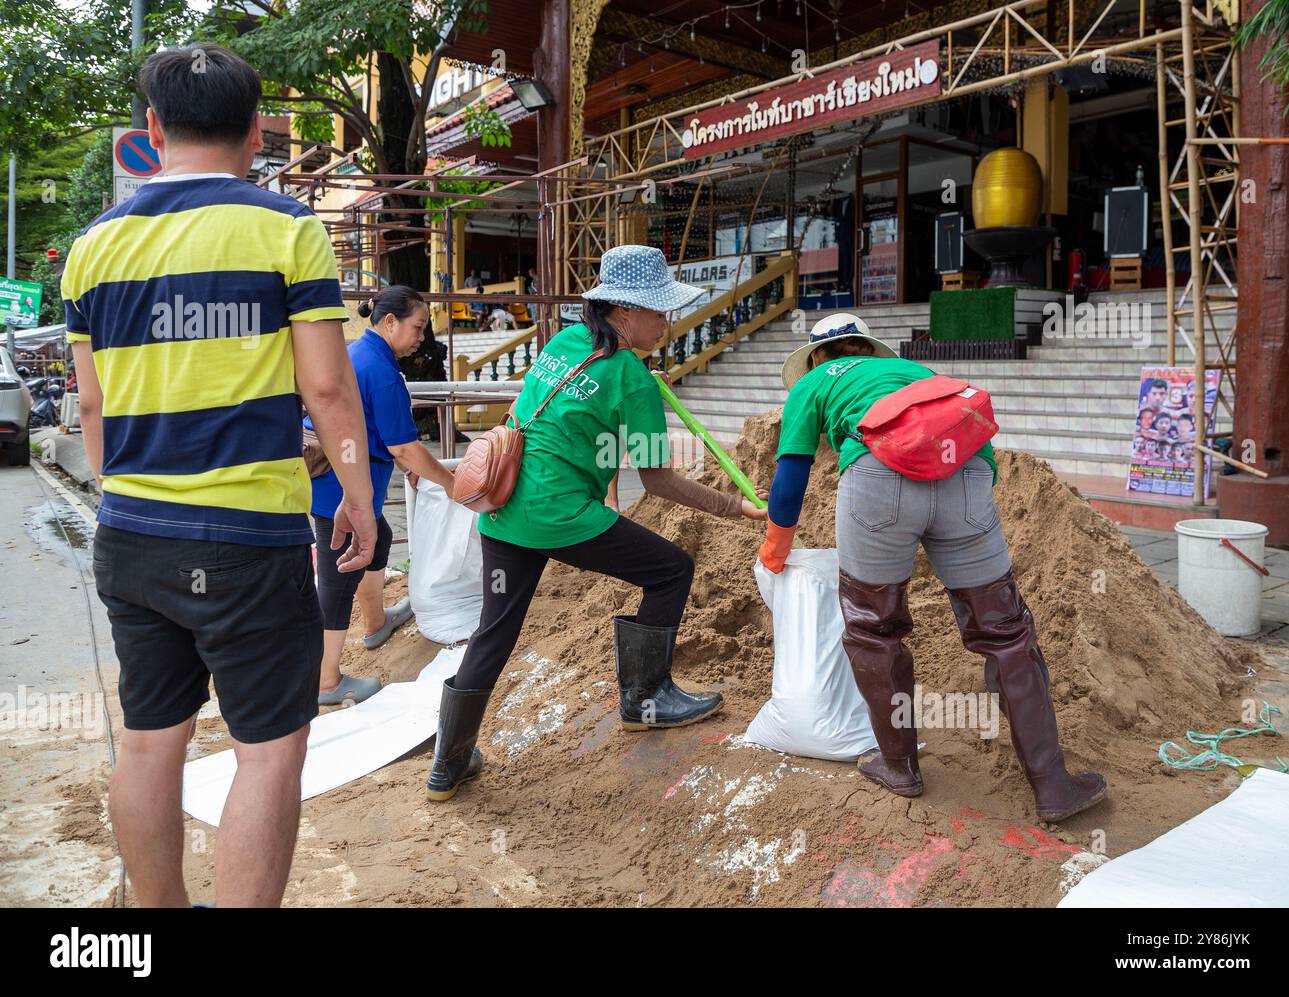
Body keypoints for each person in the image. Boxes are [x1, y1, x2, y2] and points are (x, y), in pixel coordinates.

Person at [62, 44, 377, 907]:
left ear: (153, 126)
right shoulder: (287, 229)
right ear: (255, 131)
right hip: (249, 539)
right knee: (267, 751)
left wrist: (124, 493)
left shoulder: (92, 248)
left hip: (132, 533)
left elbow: (91, 403)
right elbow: (326, 387)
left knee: (148, 740)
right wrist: (358, 496)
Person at [426, 245, 767, 802]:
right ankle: (645, 701)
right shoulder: (631, 377)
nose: (667, 321)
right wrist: (734, 507)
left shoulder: (564, 342)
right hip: (561, 514)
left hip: (504, 510)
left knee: (494, 631)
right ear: (624, 310)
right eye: (659, 310)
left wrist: (633, 388)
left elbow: (566, 410)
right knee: (671, 570)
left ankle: (449, 764)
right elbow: (658, 480)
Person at [757, 313, 1105, 823]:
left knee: (874, 629)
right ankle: (1054, 787)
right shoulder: (916, 373)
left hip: (876, 480)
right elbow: (975, 438)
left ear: (816, 358)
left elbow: (791, 477)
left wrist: (775, 548)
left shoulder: (812, 383)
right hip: (966, 474)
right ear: (869, 349)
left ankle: (899, 767)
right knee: (1006, 632)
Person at [307, 285, 457, 706]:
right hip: (344, 483)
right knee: (337, 579)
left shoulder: (359, 352)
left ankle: (376, 623)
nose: (422, 338)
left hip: (337, 475)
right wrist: (449, 482)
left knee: (381, 539)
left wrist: (413, 467)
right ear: (390, 322)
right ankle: (326, 681)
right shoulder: (383, 371)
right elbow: (403, 447)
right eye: (418, 327)